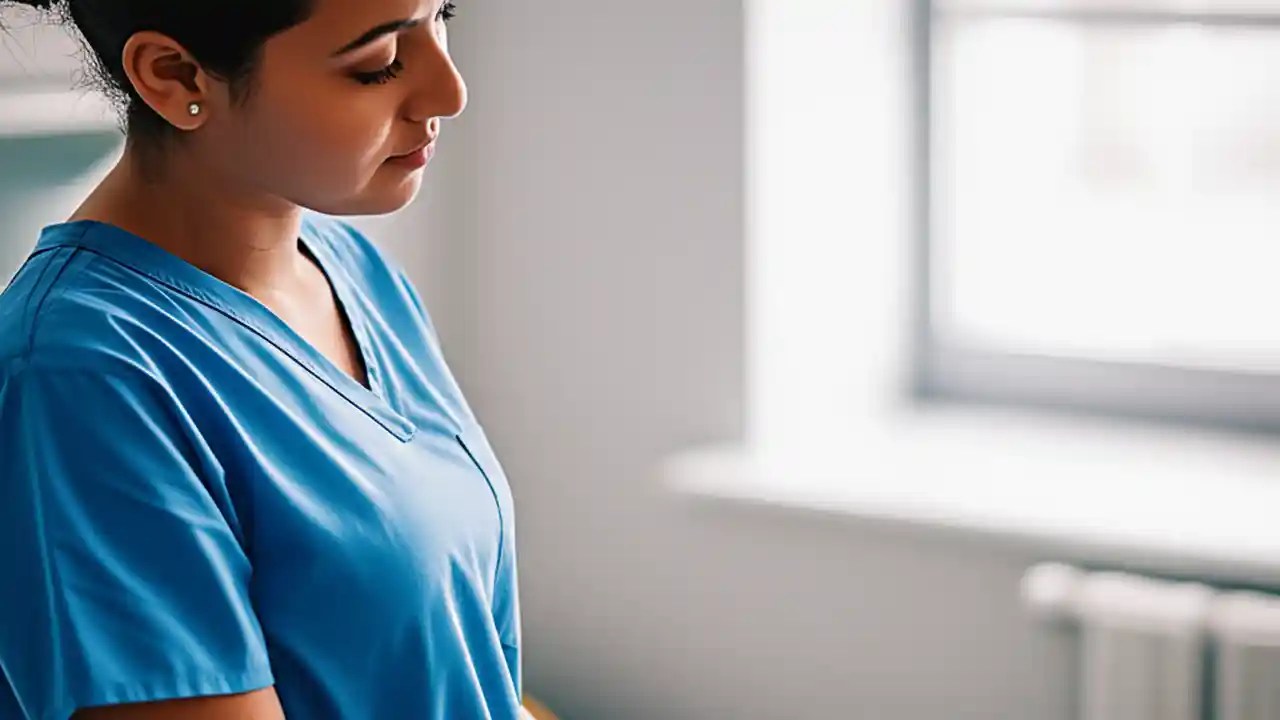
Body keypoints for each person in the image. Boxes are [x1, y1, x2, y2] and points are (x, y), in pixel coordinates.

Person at [0, 1, 525, 718]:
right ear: (173, 75)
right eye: (379, 64)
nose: (450, 91)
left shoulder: (351, 269)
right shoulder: (84, 378)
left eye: (442, 15)